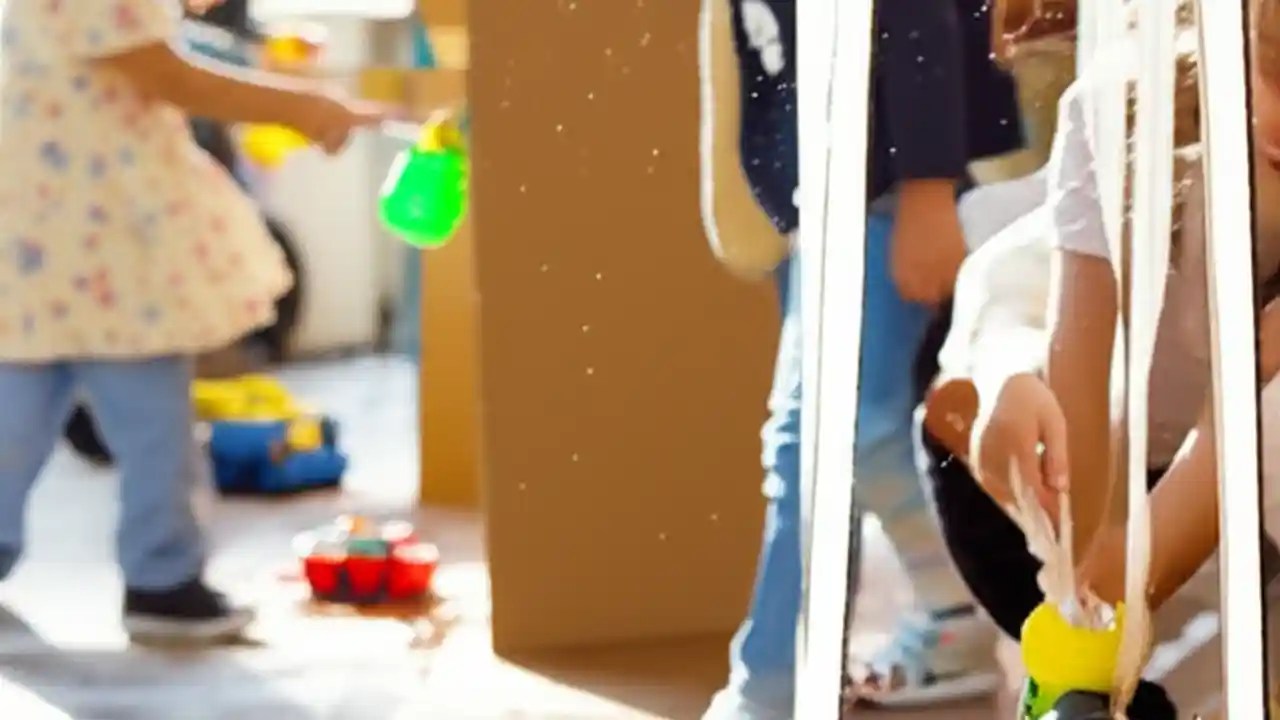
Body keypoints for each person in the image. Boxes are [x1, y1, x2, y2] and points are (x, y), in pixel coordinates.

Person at [915, 0, 1280, 712]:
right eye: (1272, 71)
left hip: (1233, 455)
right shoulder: (1121, 108)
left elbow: (1231, 443)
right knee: (978, 417)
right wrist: (1078, 595)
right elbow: (1071, 363)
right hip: (1127, 416)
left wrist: (1100, 597)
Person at [0, 0, 383, 642]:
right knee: (154, 428)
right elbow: (172, 74)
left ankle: (159, 573)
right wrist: (302, 106)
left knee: (17, 423)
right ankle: (162, 581)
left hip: (41, 246)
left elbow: (160, 47)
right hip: (106, 248)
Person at [698, 0, 1024, 715]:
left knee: (827, 437)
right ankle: (951, 615)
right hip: (820, 188)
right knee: (838, 437)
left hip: (882, 184)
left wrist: (928, 188)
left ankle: (775, 688)